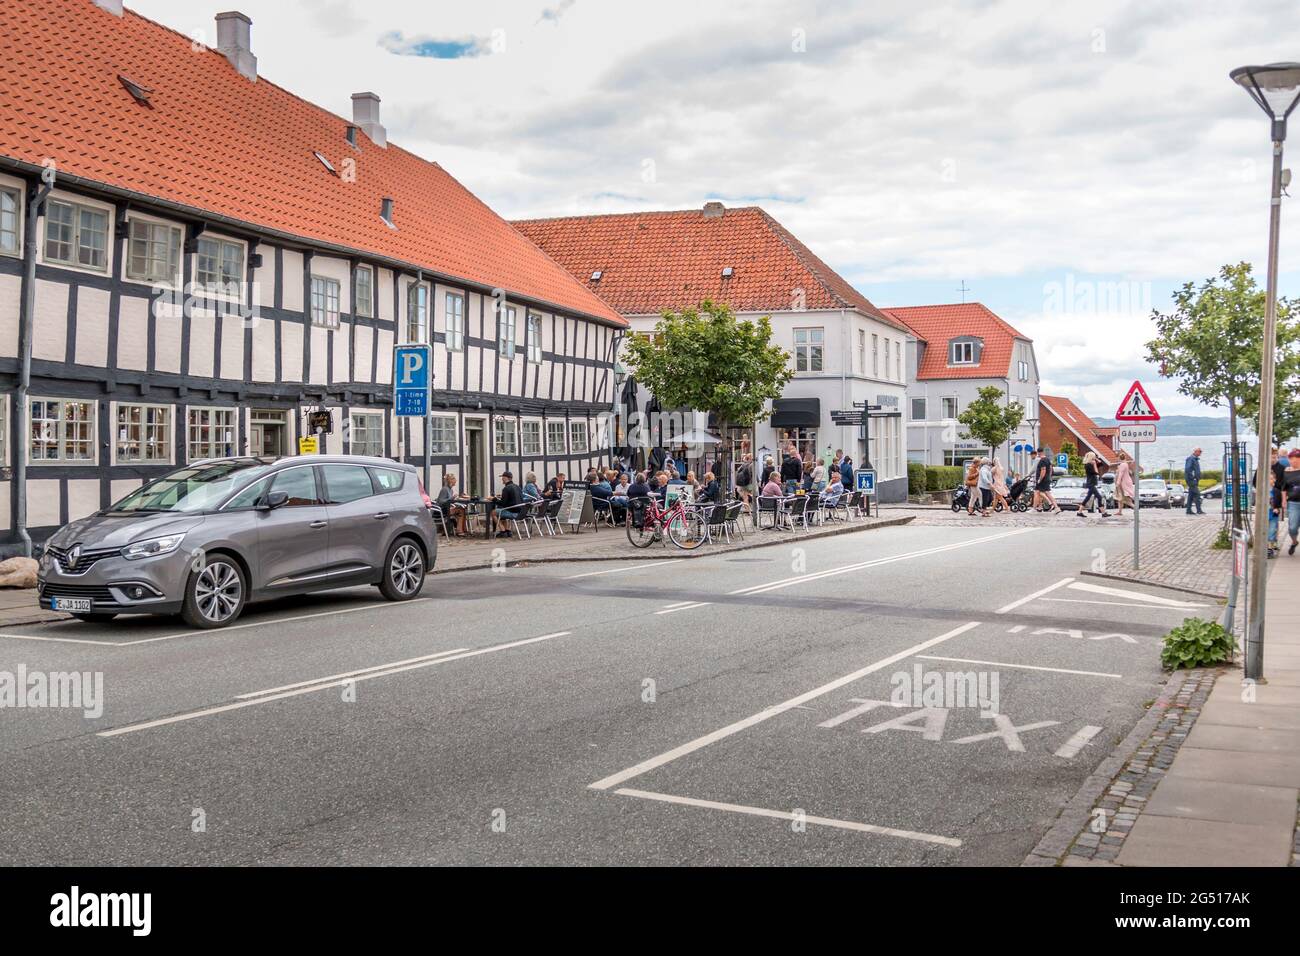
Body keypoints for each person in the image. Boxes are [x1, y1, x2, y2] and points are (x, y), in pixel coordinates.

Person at [493, 471, 524, 537]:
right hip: (520, 512)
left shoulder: (506, 488)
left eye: (503, 477)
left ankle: (502, 531)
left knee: (493, 512)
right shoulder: (518, 487)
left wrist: (494, 499)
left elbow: (503, 503)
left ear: (506, 478)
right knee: (502, 510)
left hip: (513, 513)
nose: (502, 479)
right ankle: (508, 530)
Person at [1079, 452, 1111, 518]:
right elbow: (1096, 473)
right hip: (1091, 483)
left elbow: (1101, 464)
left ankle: (1079, 512)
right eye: (1093, 457)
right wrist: (1094, 465)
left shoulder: (1092, 463)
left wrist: (1097, 460)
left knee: (1087, 498)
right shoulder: (1088, 465)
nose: (1094, 458)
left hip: (1093, 483)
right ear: (1091, 457)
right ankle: (1103, 512)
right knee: (1099, 497)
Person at [1030, 447, 1061, 513]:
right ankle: (1056, 507)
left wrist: (1039, 479)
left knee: (1037, 492)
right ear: (1043, 451)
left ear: (1038, 452)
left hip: (1042, 480)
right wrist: (1049, 477)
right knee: (1046, 493)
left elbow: (1043, 470)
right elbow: (1050, 469)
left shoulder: (1042, 460)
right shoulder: (1047, 459)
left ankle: (1034, 509)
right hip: (1047, 479)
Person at [1283, 449, 1300, 556]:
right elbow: (1284, 488)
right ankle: (1294, 542)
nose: (1293, 462)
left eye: (1295, 459)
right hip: (1293, 503)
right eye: (1291, 460)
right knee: (1292, 527)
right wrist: (1284, 500)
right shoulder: (1287, 472)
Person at [1113, 450, 1134, 517]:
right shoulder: (1125, 464)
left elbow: (1121, 475)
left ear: (1119, 458)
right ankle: (1120, 511)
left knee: (1125, 498)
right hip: (1125, 482)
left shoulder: (1123, 465)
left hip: (1123, 483)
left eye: (1118, 458)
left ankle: (1135, 507)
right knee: (1120, 498)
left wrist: (1118, 483)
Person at [1184, 447, 1204, 515]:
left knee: (1191, 496)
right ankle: (1199, 510)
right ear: (1195, 452)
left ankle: (1188, 510)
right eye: (1199, 451)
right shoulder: (1191, 459)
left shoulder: (1195, 459)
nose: (1200, 453)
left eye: (1201, 451)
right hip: (1191, 480)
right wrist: (1193, 478)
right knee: (1197, 494)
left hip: (1194, 480)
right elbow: (1188, 469)